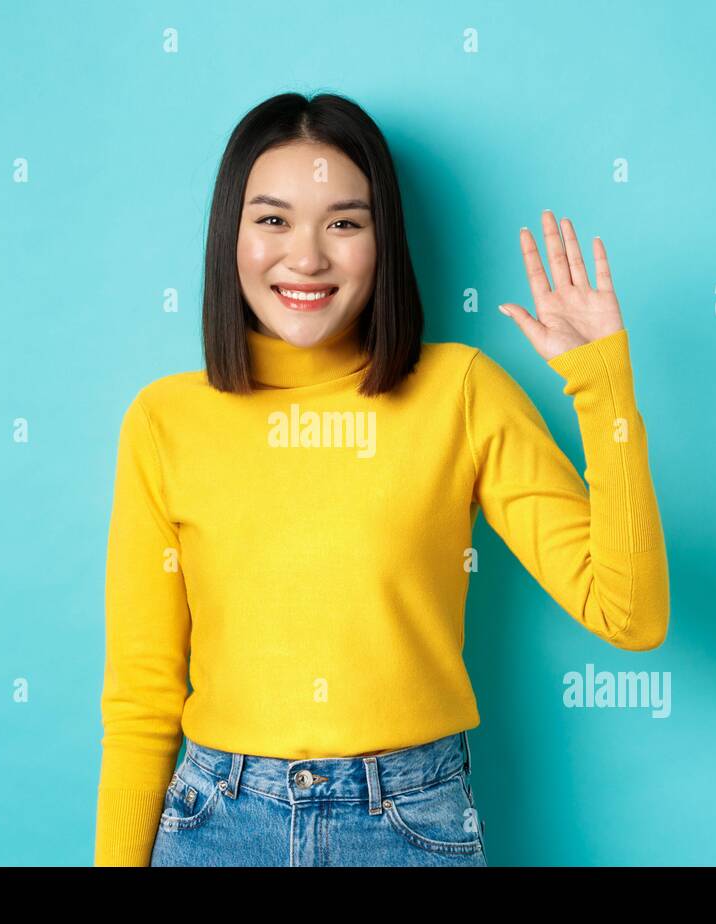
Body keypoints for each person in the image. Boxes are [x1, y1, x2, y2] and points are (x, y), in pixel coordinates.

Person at [94, 91, 669, 867]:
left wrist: (603, 387)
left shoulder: (460, 392)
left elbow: (630, 614)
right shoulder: (165, 420)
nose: (306, 256)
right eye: (272, 219)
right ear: (229, 236)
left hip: (409, 825)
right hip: (215, 825)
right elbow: (141, 703)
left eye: (344, 222)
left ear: (382, 240)